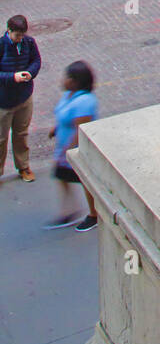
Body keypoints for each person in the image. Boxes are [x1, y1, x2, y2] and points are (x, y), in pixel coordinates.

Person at [44, 60, 99, 232]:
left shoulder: (85, 101)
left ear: (75, 81)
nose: (63, 80)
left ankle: (94, 214)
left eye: (67, 77)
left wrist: (69, 150)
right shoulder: (68, 95)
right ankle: (70, 210)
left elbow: (80, 129)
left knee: (85, 181)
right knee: (62, 176)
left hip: (76, 151)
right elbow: (63, 115)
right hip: (64, 149)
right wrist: (56, 128)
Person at [0, 15, 40, 183]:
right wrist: (12, 77)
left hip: (24, 98)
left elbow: (36, 61)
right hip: (3, 102)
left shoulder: (28, 43)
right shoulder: (1, 45)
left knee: (21, 134)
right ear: (9, 31)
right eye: (17, 35)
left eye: (22, 35)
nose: (20, 38)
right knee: (0, 139)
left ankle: (23, 167)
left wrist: (30, 73)